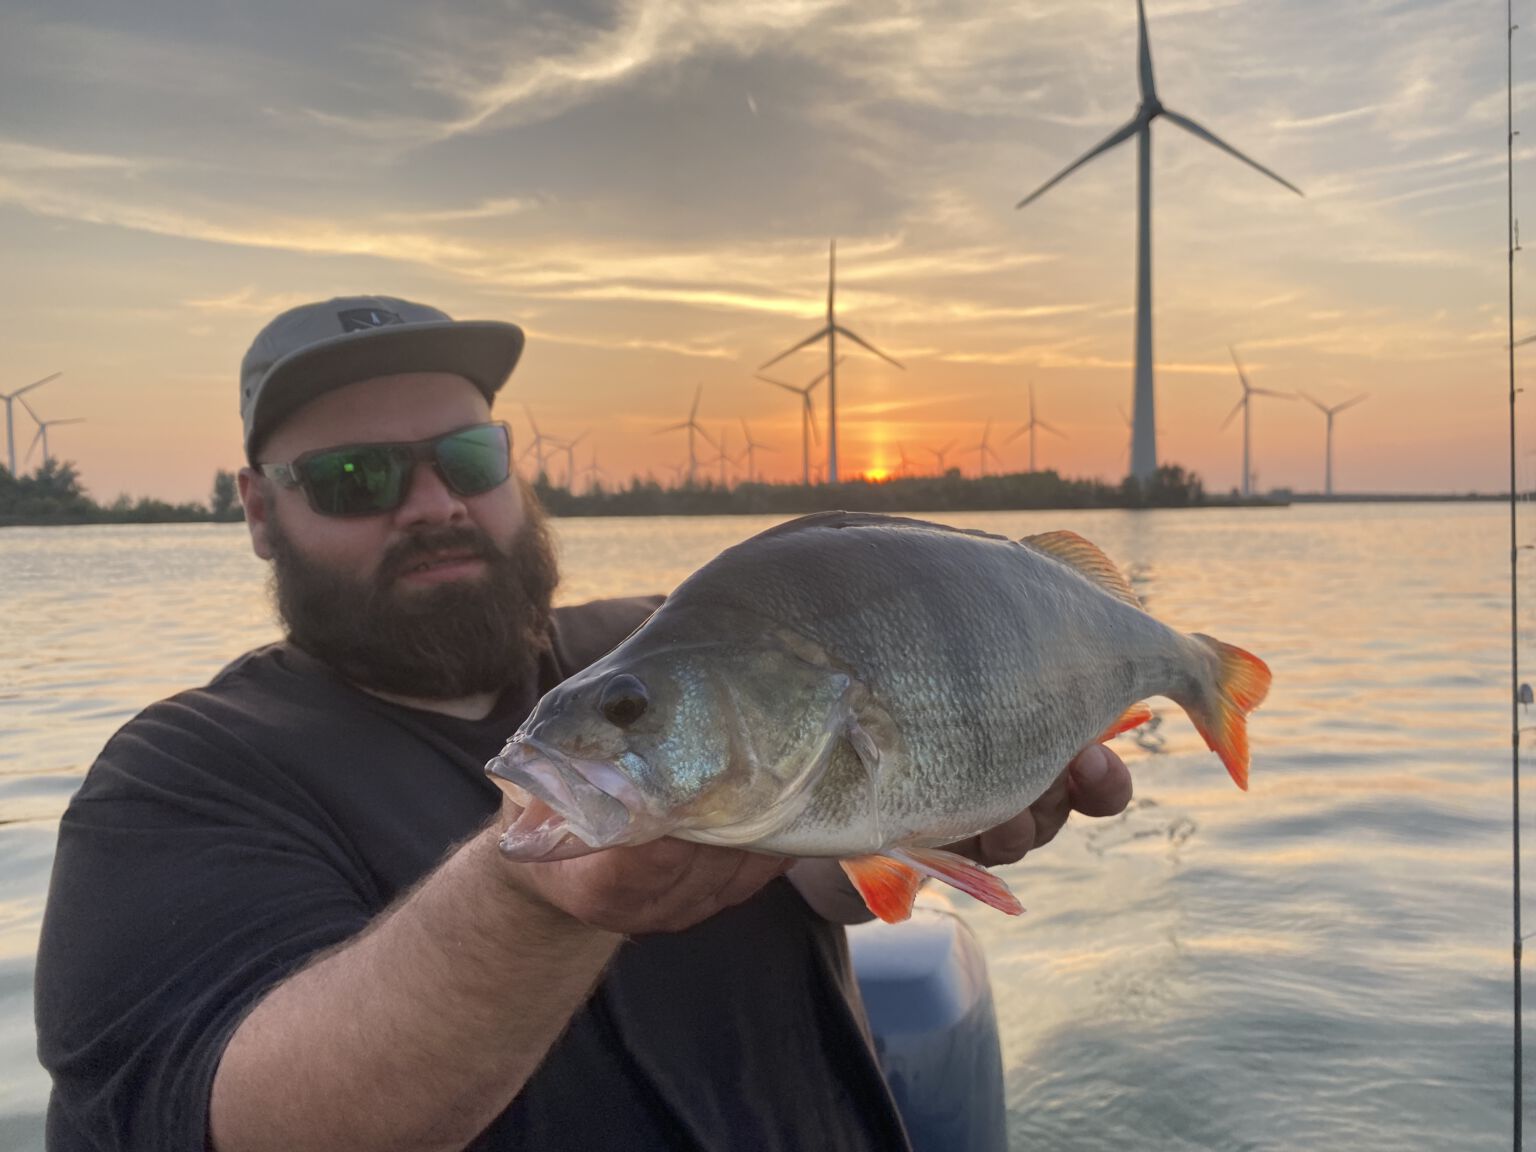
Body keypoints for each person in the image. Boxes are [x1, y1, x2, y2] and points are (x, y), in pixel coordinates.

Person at [33, 295, 1134, 1152]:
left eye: (468, 459)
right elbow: (217, 1124)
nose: (434, 505)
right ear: (261, 512)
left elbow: (822, 870)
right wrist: (526, 902)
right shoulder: (177, 780)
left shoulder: (667, 641)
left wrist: (939, 803)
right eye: (355, 477)